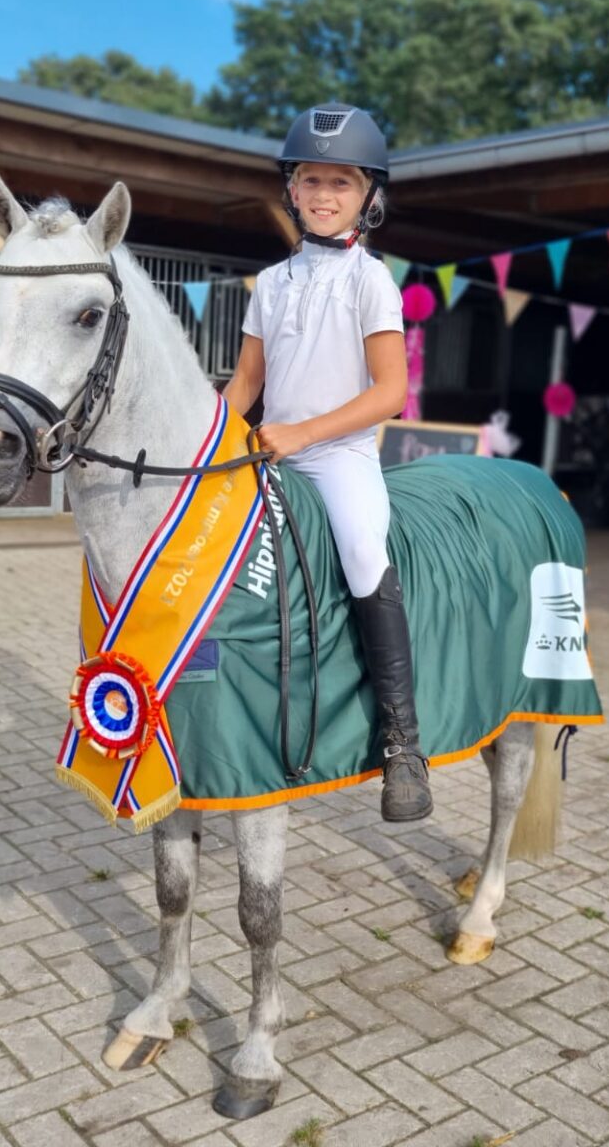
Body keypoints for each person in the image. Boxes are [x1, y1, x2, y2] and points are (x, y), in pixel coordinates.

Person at [223, 102, 432, 823]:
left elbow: (391, 393)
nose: (322, 195)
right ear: (291, 188)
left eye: (339, 184)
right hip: (271, 452)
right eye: (310, 180)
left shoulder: (372, 281)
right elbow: (247, 383)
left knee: (362, 550)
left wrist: (303, 432)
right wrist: (217, 436)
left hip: (337, 458)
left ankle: (403, 743)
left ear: (368, 197)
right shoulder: (271, 282)